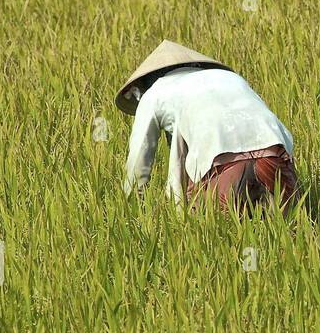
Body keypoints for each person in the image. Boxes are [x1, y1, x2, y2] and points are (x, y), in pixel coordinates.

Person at [117, 40, 297, 213]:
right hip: (276, 159)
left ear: (147, 82)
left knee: (215, 231)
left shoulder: (154, 94)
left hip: (224, 168)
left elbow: (138, 164)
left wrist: (133, 210)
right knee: (285, 230)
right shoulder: (230, 78)